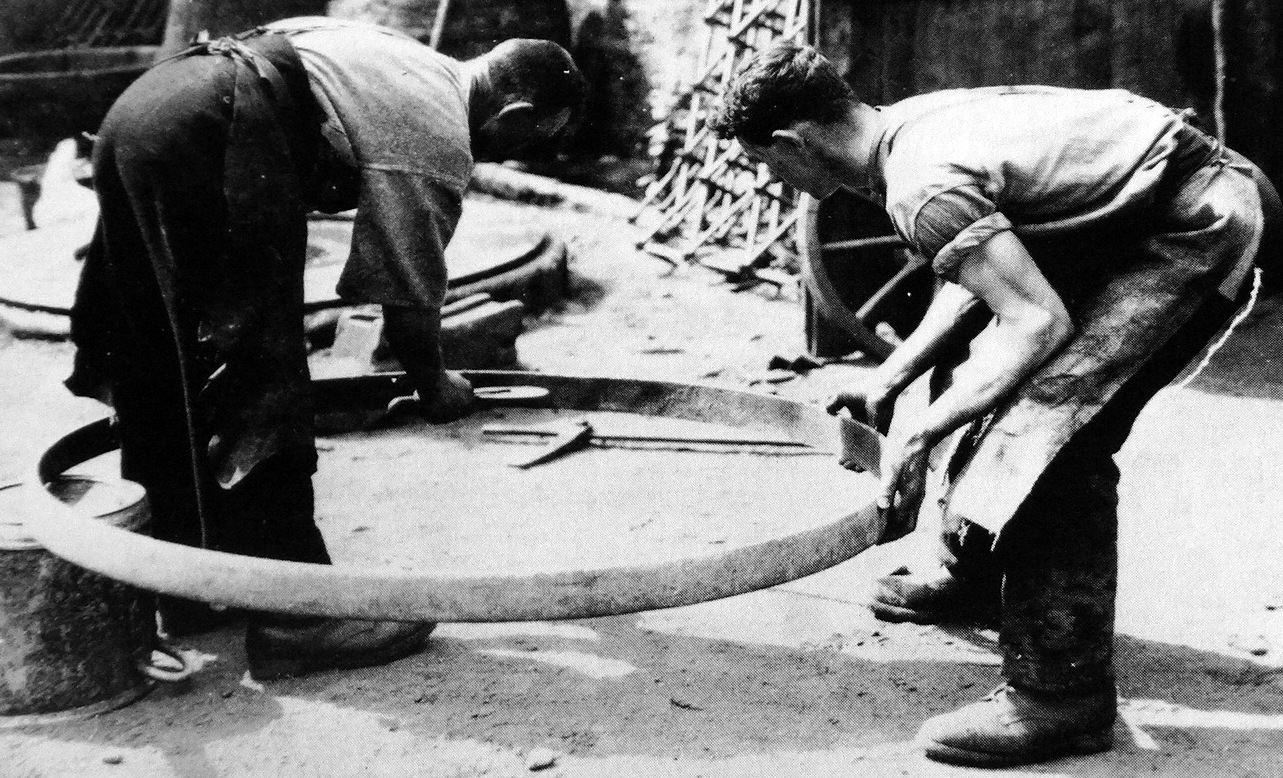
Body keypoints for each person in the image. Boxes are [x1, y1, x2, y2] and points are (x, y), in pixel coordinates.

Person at [710, 43, 1279, 767]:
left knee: (1053, 432)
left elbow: (1033, 321)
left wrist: (916, 435)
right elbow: (977, 271)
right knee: (973, 382)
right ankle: (978, 574)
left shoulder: (919, 177)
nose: (774, 177)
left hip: (1196, 217)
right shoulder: (898, 130)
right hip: (1135, 206)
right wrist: (894, 379)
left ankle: (1058, 697)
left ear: (794, 140)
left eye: (767, 162)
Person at [66, 16, 584, 680]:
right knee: (261, 375)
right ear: (514, 109)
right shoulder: (436, 132)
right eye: (526, 141)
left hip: (145, 109)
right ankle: (301, 619)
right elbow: (406, 289)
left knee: (162, 362)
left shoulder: (397, 53)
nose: (512, 156)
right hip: (221, 128)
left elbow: (274, 34)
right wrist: (434, 384)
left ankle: (188, 586)